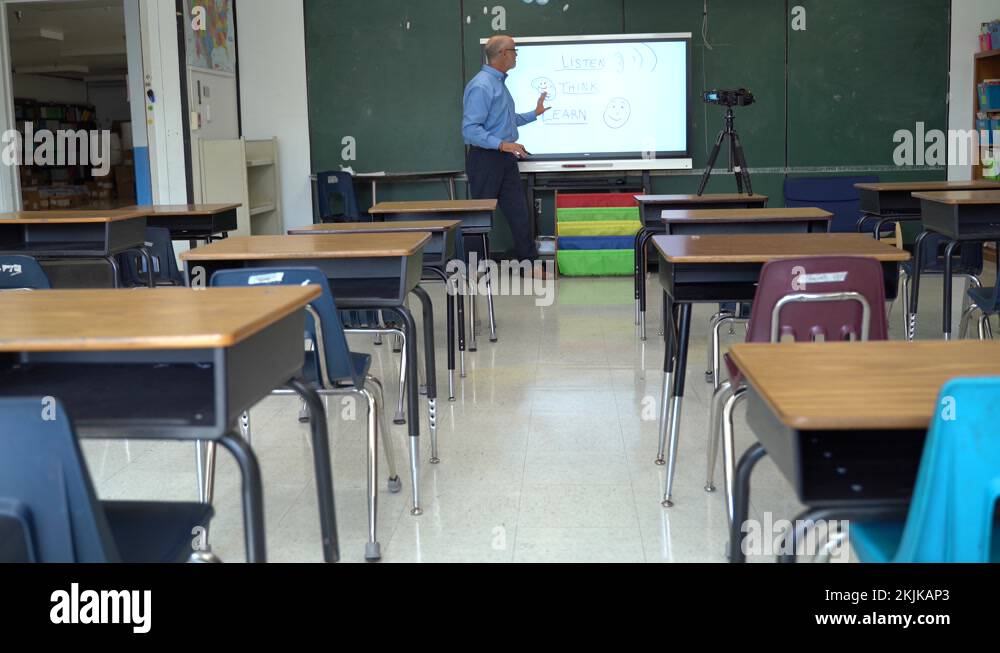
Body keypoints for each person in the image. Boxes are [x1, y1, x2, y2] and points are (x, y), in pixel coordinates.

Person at [462, 34, 549, 268]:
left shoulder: (499, 84)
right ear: (502, 54)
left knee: (520, 214)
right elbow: (470, 130)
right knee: (479, 218)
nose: (516, 54)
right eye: (514, 50)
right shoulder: (481, 86)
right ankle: (474, 268)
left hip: (505, 160)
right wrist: (502, 144)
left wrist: (534, 114)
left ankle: (528, 265)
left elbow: (505, 122)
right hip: (485, 160)